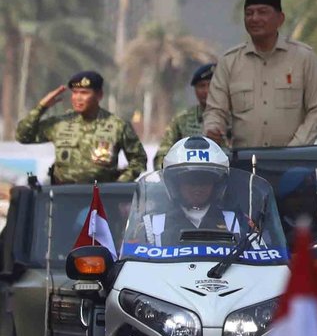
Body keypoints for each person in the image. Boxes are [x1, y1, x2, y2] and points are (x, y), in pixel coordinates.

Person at [204, 0, 317, 149]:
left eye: (262, 12)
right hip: (246, 164)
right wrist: (213, 128)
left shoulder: (304, 58)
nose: (254, 18)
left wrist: (294, 150)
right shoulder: (229, 62)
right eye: (249, 13)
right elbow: (215, 110)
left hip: (296, 164)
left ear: (280, 19)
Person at [16, 71, 147, 184]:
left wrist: (119, 184)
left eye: (84, 93)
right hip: (63, 196)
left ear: (99, 95)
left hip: (101, 199)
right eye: (75, 93)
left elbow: (139, 159)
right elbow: (23, 136)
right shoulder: (60, 124)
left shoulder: (117, 126)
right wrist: (41, 107)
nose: (78, 98)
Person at [137, 136, 245, 247]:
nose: (198, 187)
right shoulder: (152, 226)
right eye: (190, 180)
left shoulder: (235, 222)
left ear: (217, 184)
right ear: (175, 184)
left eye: (205, 180)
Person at [157, 63, 215, 169]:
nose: (207, 91)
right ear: (195, 89)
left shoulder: (236, 119)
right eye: (202, 86)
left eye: (212, 86)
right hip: (188, 181)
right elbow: (161, 156)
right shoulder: (182, 120)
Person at [275, 167, 317, 242]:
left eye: (309, 194)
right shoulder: (273, 235)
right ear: (284, 200)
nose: (303, 201)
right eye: (296, 196)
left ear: (316, 199)